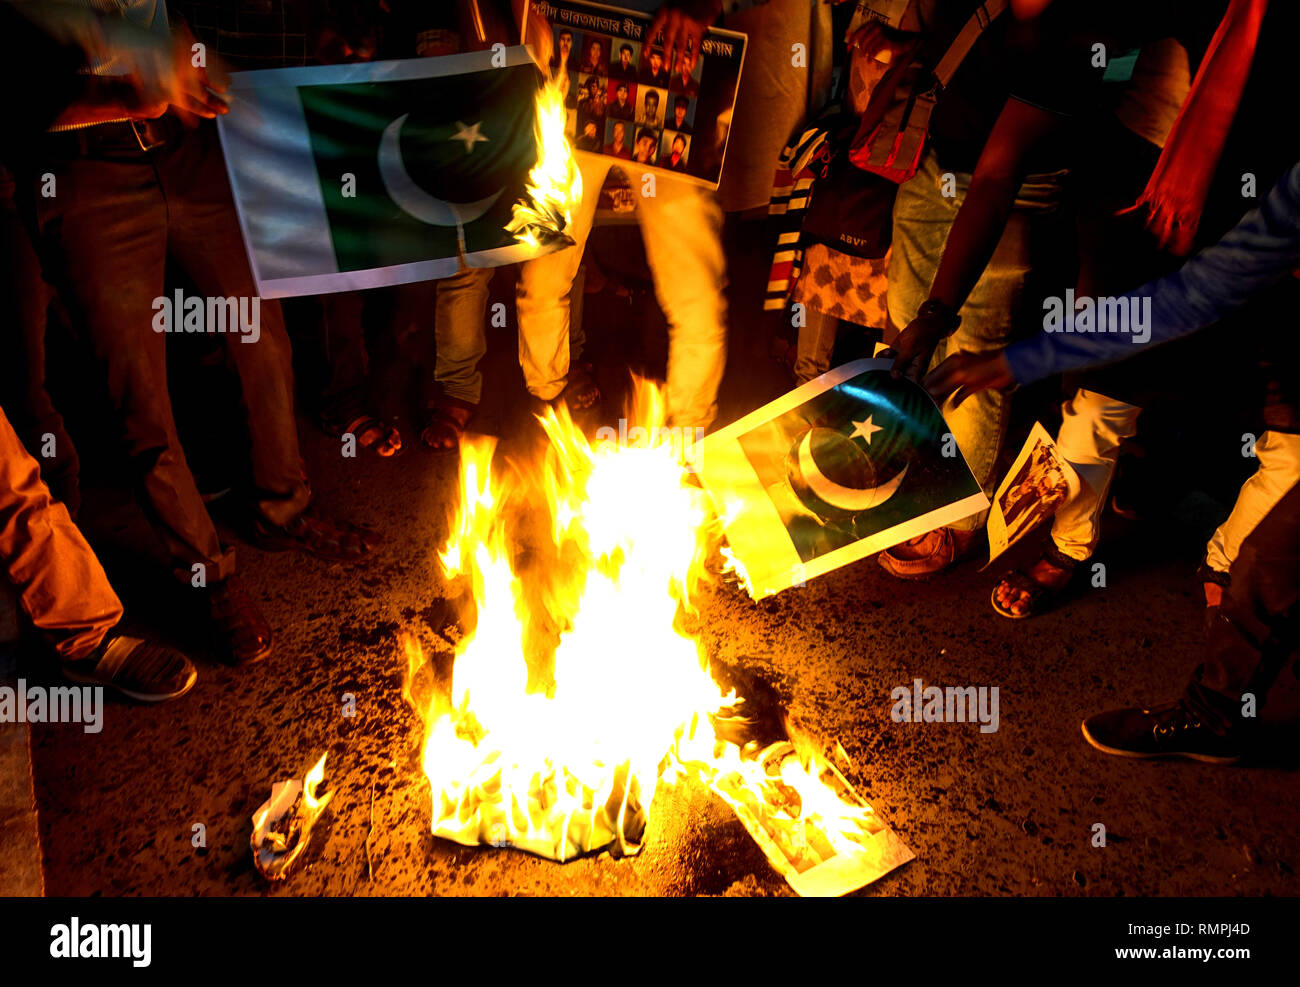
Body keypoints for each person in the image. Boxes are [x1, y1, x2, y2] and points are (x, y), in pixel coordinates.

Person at [13, 1, 380, 666]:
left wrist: (191, 57)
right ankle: (206, 574)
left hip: (186, 149)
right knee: (139, 394)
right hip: (83, 166)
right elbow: (11, 101)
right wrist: (119, 94)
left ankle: (284, 508)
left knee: (262, 336)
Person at [925, 158, 1300, 763]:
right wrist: (1020, 361)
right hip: (1214, 271)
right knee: (1105, 402)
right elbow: (1190, 296)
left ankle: (1228, 579)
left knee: (1276, 530)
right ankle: (1114, 561)